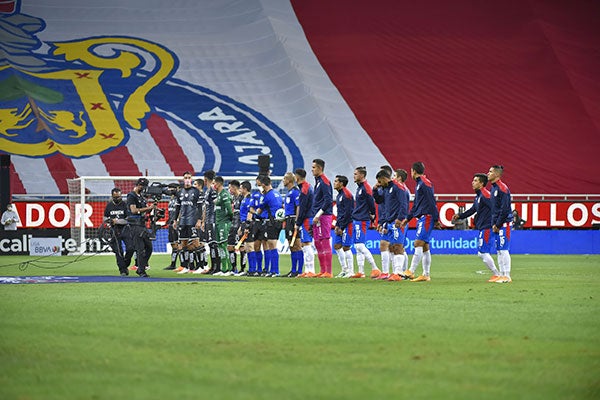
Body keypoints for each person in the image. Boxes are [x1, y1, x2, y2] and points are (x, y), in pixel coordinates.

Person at [452, 173, 500, 282]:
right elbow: (472, 210)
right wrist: (460, 215)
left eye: (475, 180)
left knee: (483, 252)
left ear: (481, 183)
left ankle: (497, 274)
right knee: (481, 253)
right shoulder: (478, 196)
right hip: (483, 227)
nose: (472, 182)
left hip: (487, 227)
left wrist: (495, 223)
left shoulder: (485, 195)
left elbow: (495, 208)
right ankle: (497, 274)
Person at [400, 161, 439, 282]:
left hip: (427, 217)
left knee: (417, 243)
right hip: (422, 217)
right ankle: (426, 274)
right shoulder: (419, 184)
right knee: (425, 247)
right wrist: (408, 218)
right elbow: (417, 204)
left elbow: (431, 201)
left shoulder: (424, 183)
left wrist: (436, 219)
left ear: (414, 171)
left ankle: (411, 271)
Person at [374, 169, 410, 281]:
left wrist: (400, 219)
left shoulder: (398, 187)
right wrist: (375, 190)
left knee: (398, 246)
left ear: (385, 178)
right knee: (390, 247)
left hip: (397, 221)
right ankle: (395, 272)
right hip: (389, 222)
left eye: (380, 181)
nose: (379, 184)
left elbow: (404, 204)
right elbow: (380, 202)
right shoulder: (386, 189)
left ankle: (398, 273)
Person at [172, 171, 204, 274]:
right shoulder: (179, 192)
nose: (187, 179)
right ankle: (184, 266)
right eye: (185, 177)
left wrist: (199, 220)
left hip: (192, 221)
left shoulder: (196, 191)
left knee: (196, 243)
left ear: (191, 179)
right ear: (183, 179)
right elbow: (177, 207)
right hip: (183, 222)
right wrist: (175, 220)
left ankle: (201, 266)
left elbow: (199, 207)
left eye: (189, 177)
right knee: (183, 243)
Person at [350, 166, 379, 278]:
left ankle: (375, 268)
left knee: (360, 245)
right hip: (358, 218)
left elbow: (371, 202)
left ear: (362, 175)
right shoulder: (360, 187)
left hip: (362, 219)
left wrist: (372, 215)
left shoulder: (366, 188)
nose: (354, 175)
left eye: (356, 174)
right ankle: (361, 272)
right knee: (357, 246)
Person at [488, 165, 514, 283]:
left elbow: (504, 209)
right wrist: (494, 224)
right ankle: (501, 274)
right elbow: (495, 209)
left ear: (497, 175)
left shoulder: (502, 188)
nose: (488, 173)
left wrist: (497, 224)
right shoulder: (493, 188)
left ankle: (507, 276)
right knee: (499, 249)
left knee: (503, 249)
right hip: (498, 224)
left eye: (490, 171)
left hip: (504, 223)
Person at [254, 175, 283, 277]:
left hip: (271, 222)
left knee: (271, 245)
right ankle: (273, 270)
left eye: (259, 186)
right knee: (271, 245)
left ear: (263, 185)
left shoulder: (267, 196)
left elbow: (259, 211)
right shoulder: (277, 194)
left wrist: (254, 215)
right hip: (278, 222)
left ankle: (275, 270)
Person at [126, 178, 154, 278]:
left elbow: (145, 211)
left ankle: (141, 266)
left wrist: (154, 209)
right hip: (134, 225)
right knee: (140, 248)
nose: (143, 188)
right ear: (138, 185)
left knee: (149, 247)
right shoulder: (131, 196)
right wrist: (148, 208)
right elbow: (133, 210)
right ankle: (141, 270)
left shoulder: (141, 197)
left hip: (142, 224)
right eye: (142, 186)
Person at [311, 159, 334, 278]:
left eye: (314, 167)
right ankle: (322, 270)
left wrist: (318, 214)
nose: (312, 169)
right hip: (317, 216)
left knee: (324, 241)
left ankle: (328, 272)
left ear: (320, 168)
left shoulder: (325, 182)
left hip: (323, 216)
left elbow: (328, 201)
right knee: (317, 242)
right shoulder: (318, 181)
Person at [103, 188, 131, 276]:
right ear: (112, 196)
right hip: (114, 231)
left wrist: (117, 221)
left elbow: (128, 219)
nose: (117, 198)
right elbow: (105, 218)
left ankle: (125, 263)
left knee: (131, 248)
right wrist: (109, 222)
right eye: (115, 197)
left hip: (126, 229)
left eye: (119, 197)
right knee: (118, 251)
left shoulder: (125, 205)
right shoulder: (109, 206)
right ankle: (122, 270)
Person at [294, 168, 316, 278]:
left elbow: (302, 208)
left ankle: (310, 270)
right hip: (308, 217)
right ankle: (307, 270)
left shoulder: (304, 189)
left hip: (307, 219)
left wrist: (298, 222)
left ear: (297, 177)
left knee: (307, 244)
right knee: (305, 244)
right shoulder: (307, 187)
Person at [333, 175, 355, 278]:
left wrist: (341, 226)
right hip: (340, 224)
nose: (334, 183)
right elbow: (340, 213)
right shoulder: (339, 195)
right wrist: (337, 225)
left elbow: (348, 213)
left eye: (336, 181)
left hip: (348, 224)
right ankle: (344, 269)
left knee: (346, 247)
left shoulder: (347, 195)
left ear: (341, 183)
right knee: (337, 246)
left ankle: (351, 271)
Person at [282, 172, 303, 277]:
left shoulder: (295, 192)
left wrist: (297, 221)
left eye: (284, 179)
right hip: (288, 220)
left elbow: (299, 206)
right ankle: (293, 270)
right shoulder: (288, 192)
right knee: (291, 246)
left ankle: (299, 271)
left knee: (297, 245)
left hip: (293, 219)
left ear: (289, 180)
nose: (283, 181)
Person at [213, 176, 234, 275]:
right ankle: (223, 268)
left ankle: (229, 269)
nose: (213, 185)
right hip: (218, 223)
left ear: (218, 184)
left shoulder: (225, 194)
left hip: (223, 223)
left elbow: (230, 210)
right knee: (220, 245)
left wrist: (229, 220)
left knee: (224, 245)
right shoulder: (219, 194)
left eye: (214, 183)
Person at [202, 170, 220, 274]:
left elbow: (216, 203)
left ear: (205, 179)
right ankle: (213, 266)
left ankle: (216, 267)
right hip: (208, 220)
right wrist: (204, 221)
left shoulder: (212, 190)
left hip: (213, 220)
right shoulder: (208, 190)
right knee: (211, 244)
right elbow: (206, 207)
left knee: (214, 244)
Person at [235, 181, 254, 276]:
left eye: (241, 188)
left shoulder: (249, 199)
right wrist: (240, 227)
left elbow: (250, 213)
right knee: (246, 247)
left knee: (250, 247)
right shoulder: (244, 199)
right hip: (243, 224)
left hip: (247, 224)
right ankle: (250, 269)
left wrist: (247, 226)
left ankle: (252, 269)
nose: (240, 190)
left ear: (245, 189)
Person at [164, 189, 181, 270]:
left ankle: (183, 264)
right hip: (171, 223)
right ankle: (173, 264)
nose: (169, 190)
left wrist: (178, 220)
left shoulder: (179, 198)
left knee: (180, 244)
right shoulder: (171, 199)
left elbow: (181, 210)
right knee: (173, 244)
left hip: (177, 223)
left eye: (171, 188)